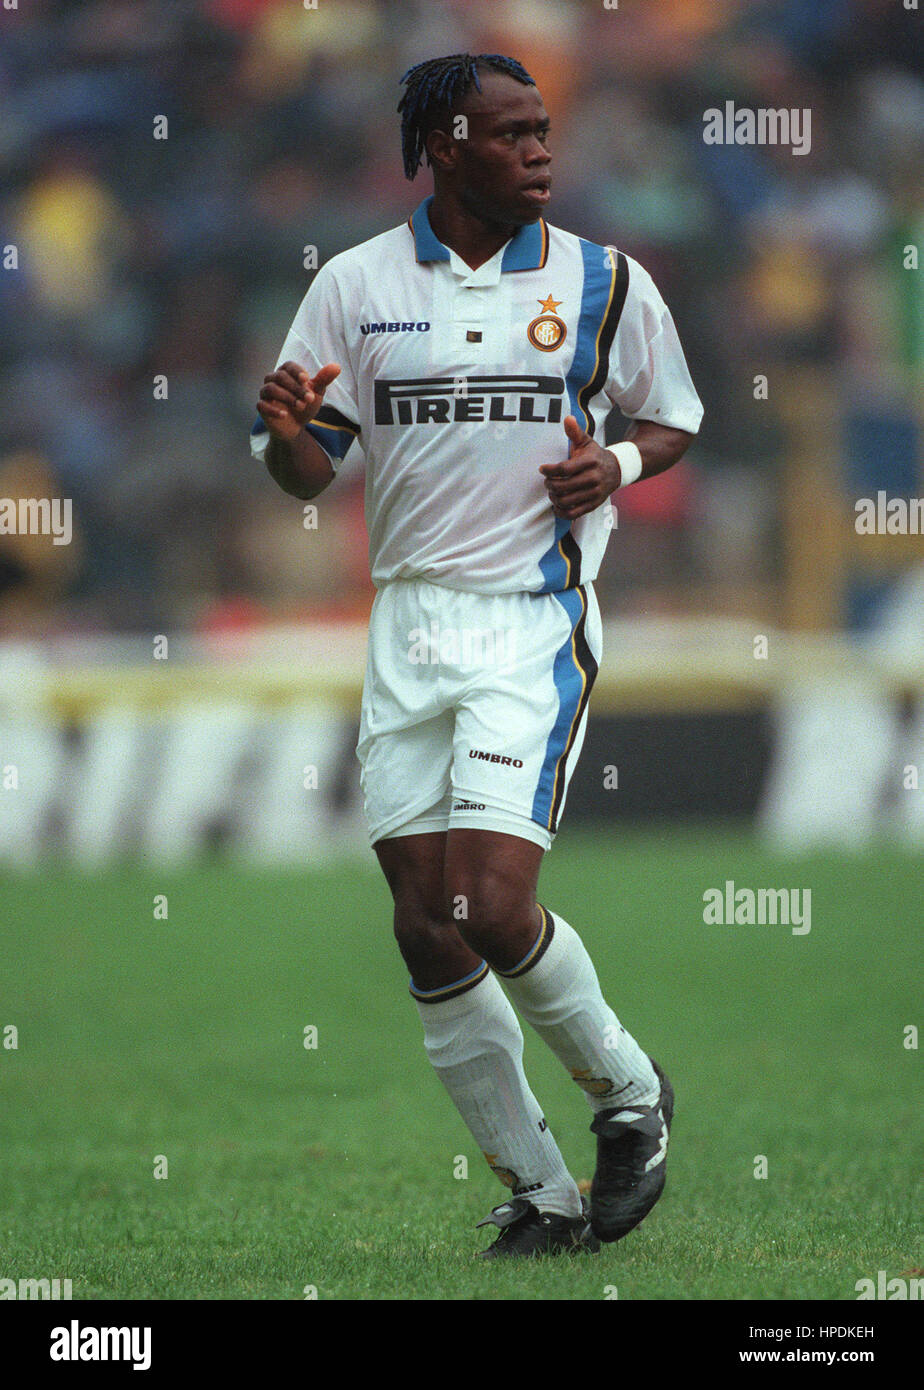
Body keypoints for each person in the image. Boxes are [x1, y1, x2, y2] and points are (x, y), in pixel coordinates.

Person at [251, 53, 703, 1258]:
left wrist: (620, 463)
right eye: (513, 134)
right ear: (446, 146)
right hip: (408, 621)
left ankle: (630, 1095)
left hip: (528, 620)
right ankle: (542, 1193)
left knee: (490, 902)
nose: (542, 151)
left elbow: (673, 416)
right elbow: (308, 469)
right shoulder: (354, 284)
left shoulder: (604, 280)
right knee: (425, 923)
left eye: (545, 130)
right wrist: (287, 438)